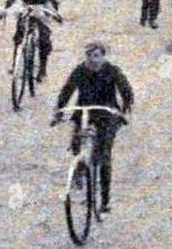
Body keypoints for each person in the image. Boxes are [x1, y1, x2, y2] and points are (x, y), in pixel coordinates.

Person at [52, 42, 135, 214]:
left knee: (104, 156)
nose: (93, 60)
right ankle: (79, 167)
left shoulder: (112, 70)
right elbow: (67, 90)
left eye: (96, 55)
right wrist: (59, 110)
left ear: (103, 56)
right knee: (76, 139)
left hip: (106, 114)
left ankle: (105, 200)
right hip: (84, 111)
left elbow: (126, 91)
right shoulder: (80, 71)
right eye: (89, 56)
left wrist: (125, 109)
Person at [1, 0, 61, 82]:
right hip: (28, 11)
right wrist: (3, 11)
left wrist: (55, 13)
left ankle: (42, 70)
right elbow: (9, 2)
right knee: (18, 36)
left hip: (41, 11)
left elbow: (53, 2)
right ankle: (15, 64)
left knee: (44, 39)